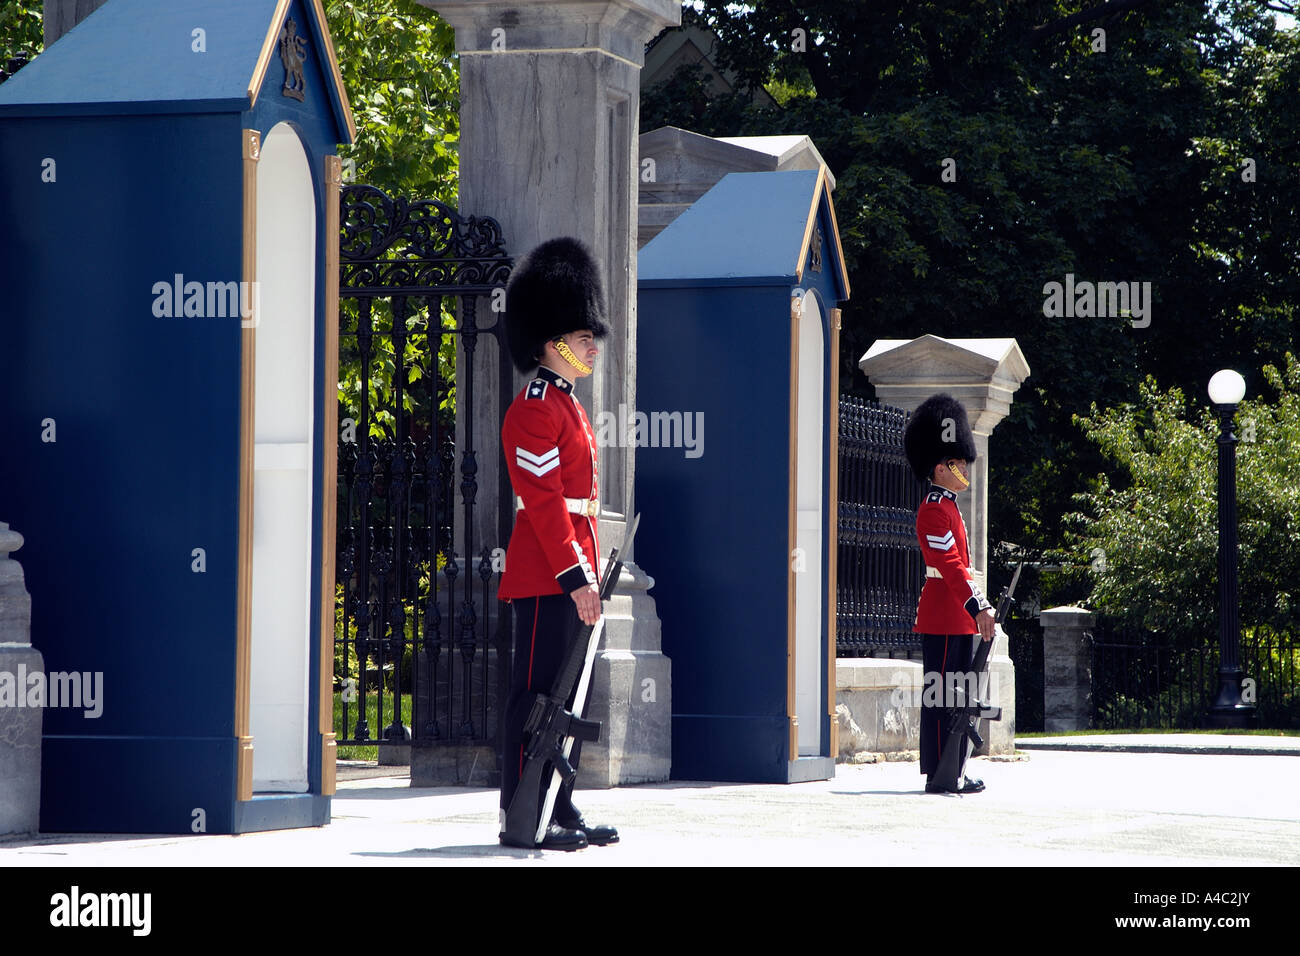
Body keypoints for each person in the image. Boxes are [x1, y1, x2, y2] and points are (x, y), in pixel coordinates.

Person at [496, 236, 619, 850]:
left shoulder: (568, 406)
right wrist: (576, 578)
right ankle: (523, 815)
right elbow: (544, 506)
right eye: (581, 336)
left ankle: (557, 803)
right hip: (547, 576)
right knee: (539, 697)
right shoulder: (535, 408)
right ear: (551, 342)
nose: (591, 344)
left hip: (573, 571)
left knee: (570, 699)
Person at [902, 393, 996, 794]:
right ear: (941, 468)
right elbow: (951, 567)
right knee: (942, 696)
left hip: (955, 615)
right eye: (957, 463)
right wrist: (978, 605)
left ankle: (953, 769)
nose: (964, 469)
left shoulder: (950, 507)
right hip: (945, 615)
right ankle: (940, 773)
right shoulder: (933, 510)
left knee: (958, 694)